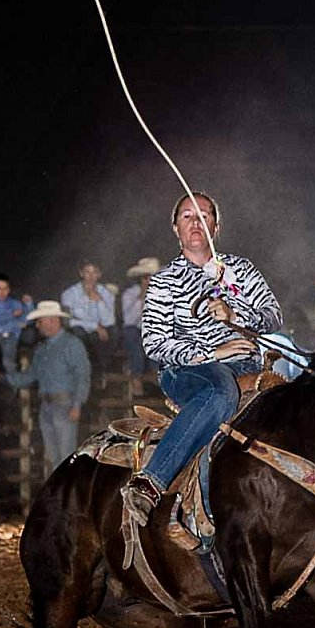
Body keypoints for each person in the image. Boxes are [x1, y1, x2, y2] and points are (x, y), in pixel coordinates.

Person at [126, 191, 283, 512]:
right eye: (187, 216)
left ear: (216, 226)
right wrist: (213, 352)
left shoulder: (241, 270)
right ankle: (151, 480)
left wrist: (236, 316)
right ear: (175, 227)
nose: (195, 222)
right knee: (221, 392)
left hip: (249, 369)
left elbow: (273, 316)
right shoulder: (164, 281)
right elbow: (154, 342)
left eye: (203, 216)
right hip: (188, 371)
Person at [2, 300, 91, 471]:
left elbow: (83, 375)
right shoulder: (42, 349)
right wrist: (6, 379)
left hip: (65, 405)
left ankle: (67, 494)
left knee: (66, 456)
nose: (38, 325)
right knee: (53, 456)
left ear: (53, 320)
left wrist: (77, 405)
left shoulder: (72, 344)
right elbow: (31, 375)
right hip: (47, 407)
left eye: (40, 321)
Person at [59, 261, 118, 379]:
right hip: (80, 330)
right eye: (87, 272)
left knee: (114, 333)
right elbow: (67, 321)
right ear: (81, 273)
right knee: (80, 332)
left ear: (99, 274)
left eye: (94, 272)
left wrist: (99, 301)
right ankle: (91, 371)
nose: (91, 276)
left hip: (100, 330)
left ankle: (100, 370)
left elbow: (109, 321)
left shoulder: (106, 293)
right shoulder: (70, 294)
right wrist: (94, 326)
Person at [122, 257, 160, 396]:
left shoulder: (164, 293)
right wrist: (142, 298)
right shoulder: (130, 294)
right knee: (132, 334)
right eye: (145, 277)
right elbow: (129, 320)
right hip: (135, 329)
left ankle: (157, 373)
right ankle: (136, 376)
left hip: (155, 330)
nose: (149, 280)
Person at [0, 273, 32, 375]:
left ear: (9, 290)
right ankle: (11, 377)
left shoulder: (14, 303)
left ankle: (14, 377)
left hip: (12, 334)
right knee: (6, 353)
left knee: (10, 353)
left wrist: (28, 305)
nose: (2, 292)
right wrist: (13, 316)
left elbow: (27, 319)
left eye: (5, 289)